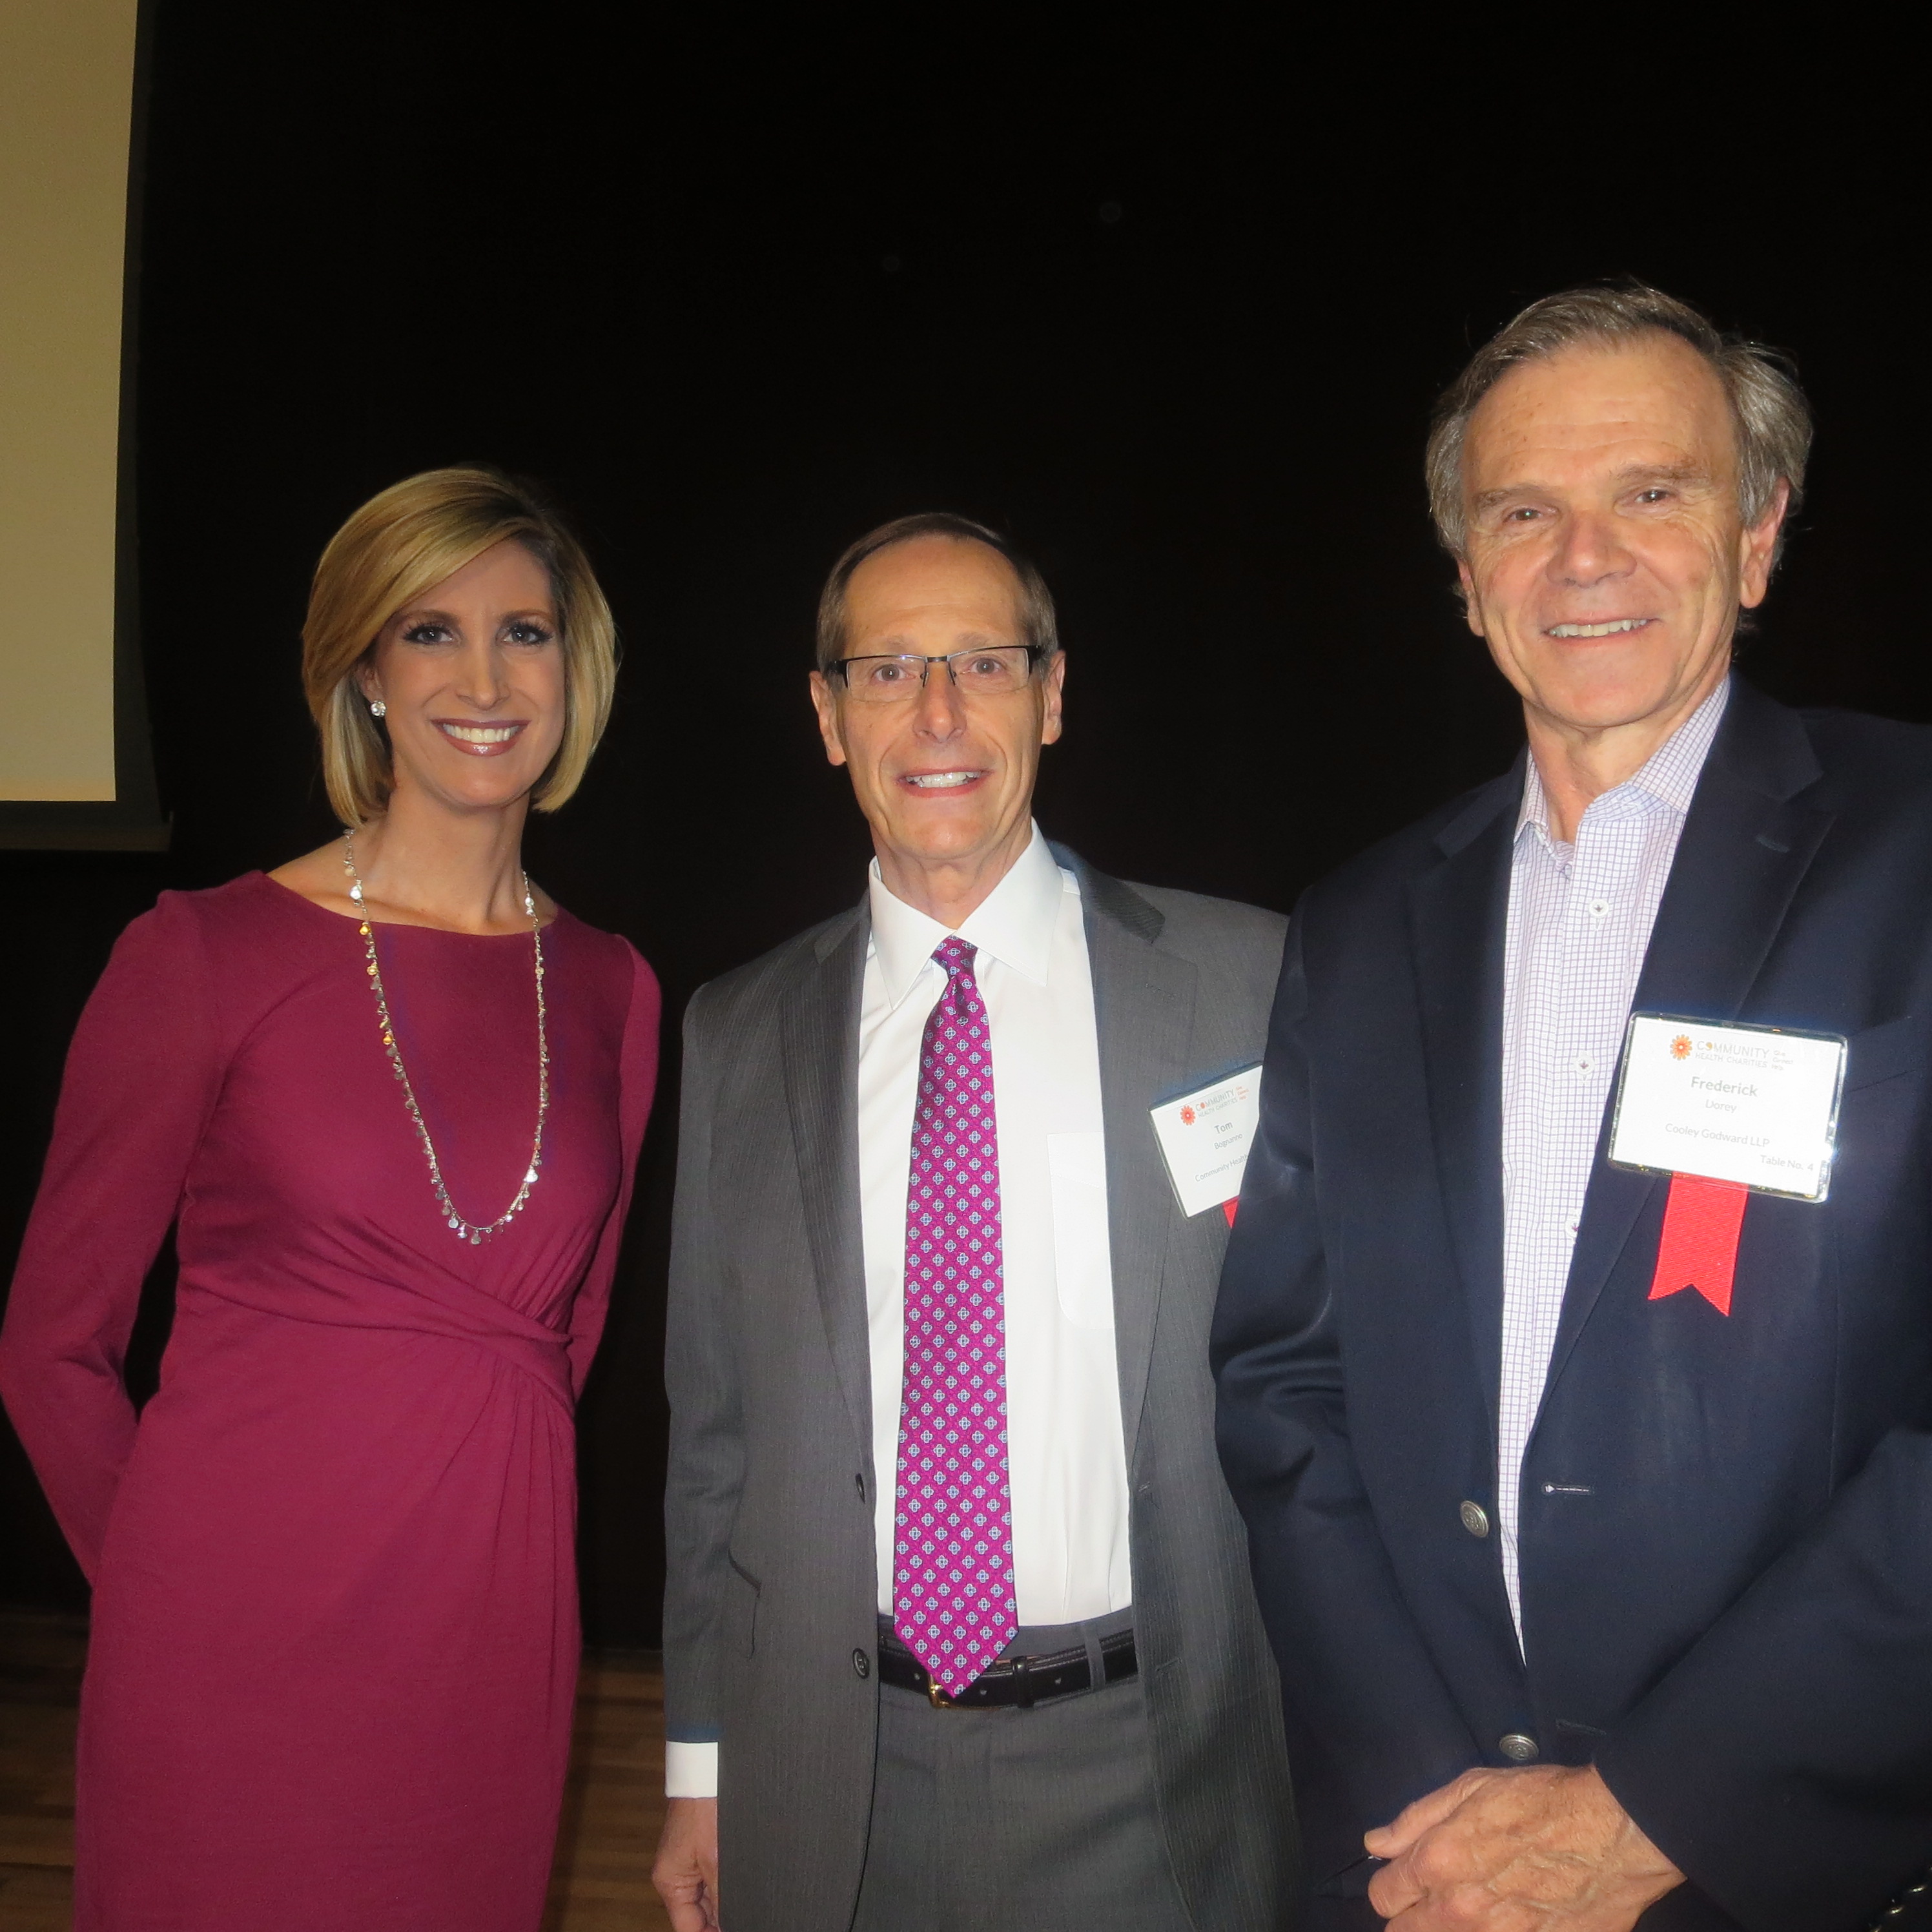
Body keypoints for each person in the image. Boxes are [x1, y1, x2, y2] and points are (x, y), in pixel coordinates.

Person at [1213, 281, 1932, 1932]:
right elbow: (1280, 1380)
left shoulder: (1910, 855)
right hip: (1421, 1863)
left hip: (1781, 1864)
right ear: (1466, 581)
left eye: (1650, 494)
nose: (1582, 555)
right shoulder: (1356, 918)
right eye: (1521, 510)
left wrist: (1657, 1807)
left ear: (1755, 539)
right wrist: (1433, 1812)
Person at [0, 467, 660, 1931]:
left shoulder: (614, 986)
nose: (484, 678)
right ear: (363, 670)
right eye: (430, 632)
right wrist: (173, 1606)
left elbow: (566, 1339)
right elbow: (50, 1344)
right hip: (225, 1645)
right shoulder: (204, 954)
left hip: (486, 1643)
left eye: (527, 632)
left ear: (576, 668)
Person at [653, 512, 1297, 1932]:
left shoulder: (1246, 984)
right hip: (834, 1777)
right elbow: (710, 1440)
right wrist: (696, 1762)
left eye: (982, 663)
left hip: (1158, 1763)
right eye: (886, 670)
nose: (936, 712)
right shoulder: (734, 1032)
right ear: (826, 717)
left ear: (1052, 692)